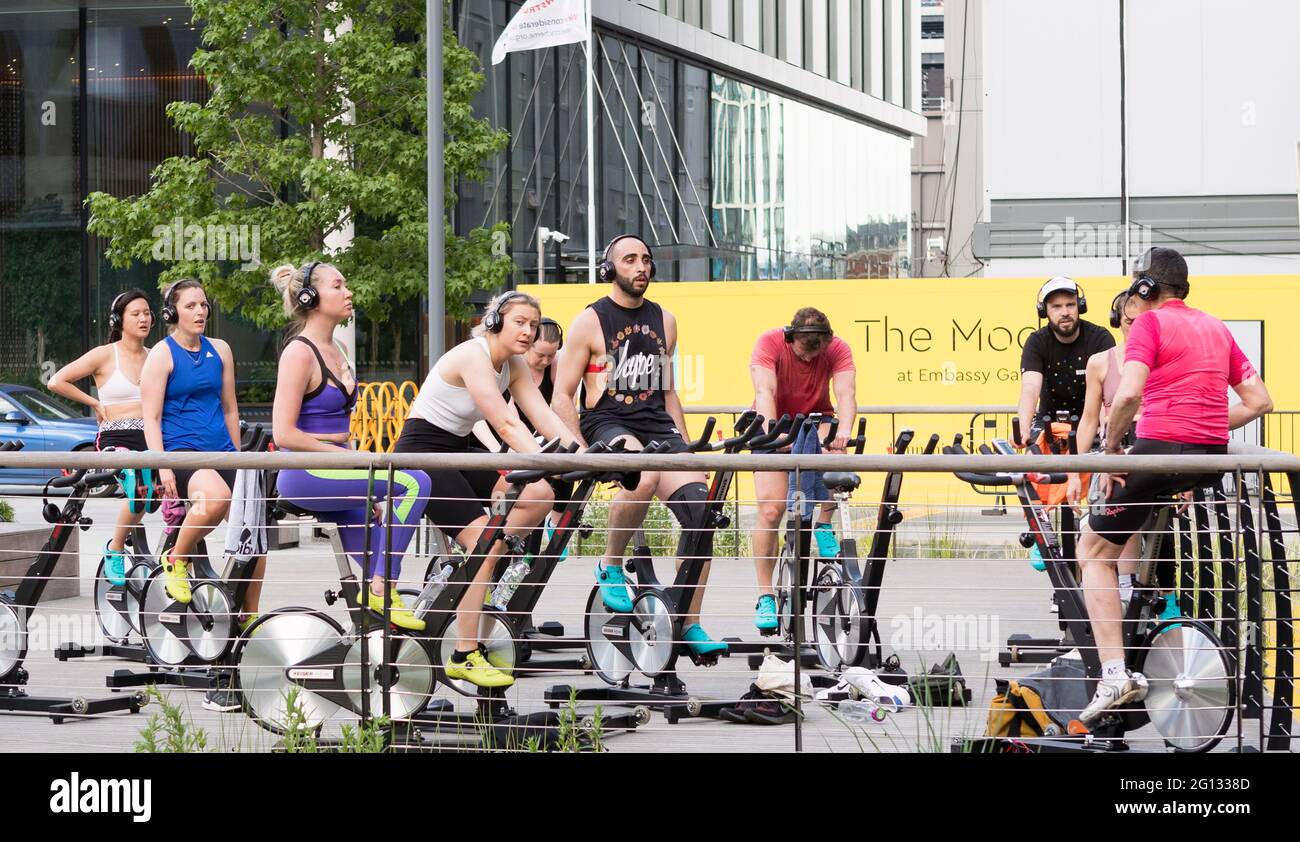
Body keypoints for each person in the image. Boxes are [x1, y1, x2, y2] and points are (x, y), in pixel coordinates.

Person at [1076, 248, 1273, 722]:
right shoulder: (1215, 326)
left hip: (1162, 452)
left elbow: (1128, 393)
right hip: (1208, 459)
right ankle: (1143, 617)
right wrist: (1203, 424)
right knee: (1135, 542)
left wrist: (1111, 450)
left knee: (1092, 551)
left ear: (1144, 289)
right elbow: (1260, 400)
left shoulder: (1149, 325)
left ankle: (1115, 674)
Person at [551, 235, 726, 658]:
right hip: (607, 421)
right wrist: (580, 452)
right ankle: (610, 563)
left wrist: (687, 451)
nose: (641, 266)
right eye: (629, 260)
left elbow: (668, 394)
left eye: (646, 259)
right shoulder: (589, 321)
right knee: (642, 472)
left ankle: (688, 621)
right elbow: (562, 395)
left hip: (657, 425)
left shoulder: (665, 320)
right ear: (609, 268)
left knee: (703, 514)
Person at [394, 291, 579, 688]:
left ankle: (484, 559)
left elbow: (543, 416)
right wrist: (556, 462)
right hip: (423, 456)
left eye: (533, 324)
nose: (529, 331)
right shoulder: (472, 356)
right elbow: (507, 425)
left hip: (458, 450)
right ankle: (465, 652)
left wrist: (583, 457)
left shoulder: (512, 364)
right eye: (520, 322)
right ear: (495, 320)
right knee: (486, 544)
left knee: (540, 496)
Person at [270, 262, 431, 631]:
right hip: (305, 472)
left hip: (337, 469)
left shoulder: (339, 347)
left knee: (379, 553)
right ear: (310, 298)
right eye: (338, 285)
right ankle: (382, 589)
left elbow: (342, 428)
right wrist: (356, 461)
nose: (348, 292)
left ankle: (378, 643)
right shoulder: (299, 353)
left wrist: (364, 480)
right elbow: (284, 434)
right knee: (414, 482)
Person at [748, 308, 856, 631]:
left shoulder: (837, 347)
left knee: (833, 457)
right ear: (790, 337)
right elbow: (764, 391)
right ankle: (766, 595)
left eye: (817, 352)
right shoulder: (769, 342)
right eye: (804, 352)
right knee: (771, 509)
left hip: (816, 421)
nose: (810, 360)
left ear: (827, 341)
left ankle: (823, 524)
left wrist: (844, 432)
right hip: (775, 422)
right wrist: (773, 432)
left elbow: (846, 393)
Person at [139, 280, 244, 607]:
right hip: (182, 453)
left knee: (254, 536)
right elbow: (151, 418)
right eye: (190, 306)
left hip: (223, 453)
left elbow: (230, 408)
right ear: (172, 312)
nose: (200, 311)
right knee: (216, 498)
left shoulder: (220, 349)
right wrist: (164, 467)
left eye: (203, 305)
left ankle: (244, 614)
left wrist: (240, 461)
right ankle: (176, 558)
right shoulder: (161, 354)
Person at [48, 290, 156, 587]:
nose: (144, 318)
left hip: (152, 435)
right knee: (138, 485)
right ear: (118, 320)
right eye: (136, 314)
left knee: (158, 493)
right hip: (117, 435)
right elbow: (56, 381)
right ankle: (115, 548)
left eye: (147, 312)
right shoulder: (105, 354)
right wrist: (95, 403)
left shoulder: (157, 355)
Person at [1015, 277, 1115, 447]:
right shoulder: (1036, 342)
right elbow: (1030, 387)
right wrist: (1023, 429)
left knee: (1098, 471)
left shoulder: (1100, 338)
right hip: (1047, 425)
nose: (1065, 312)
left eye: (1070, 304)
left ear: (1080, 307)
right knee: (1033, 465)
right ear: (1044, 311)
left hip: (1093, 426)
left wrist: (1106, 431)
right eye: (1056, 306)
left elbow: (1107, 392)